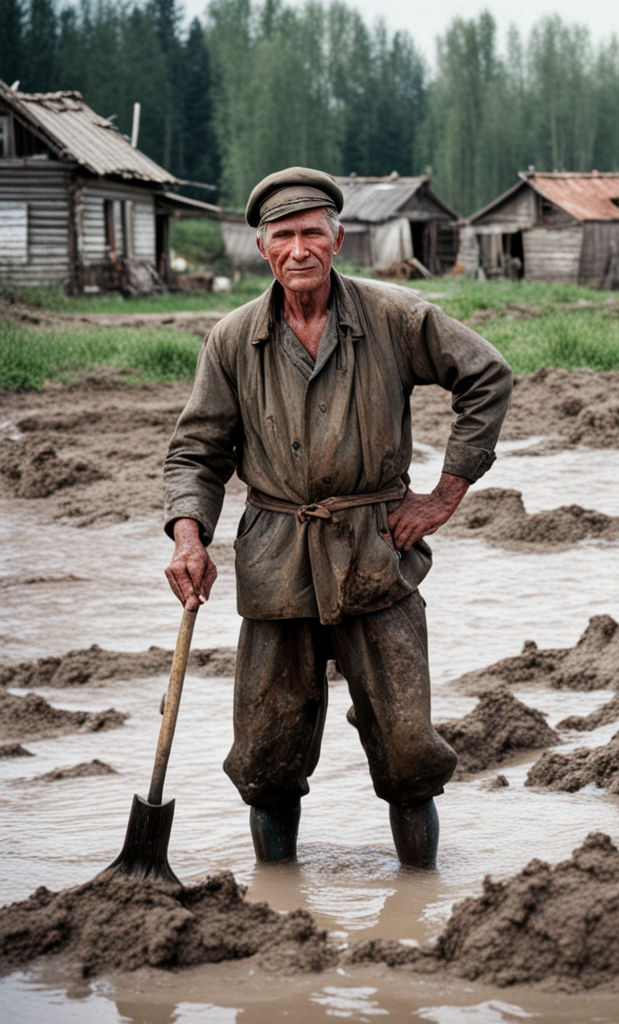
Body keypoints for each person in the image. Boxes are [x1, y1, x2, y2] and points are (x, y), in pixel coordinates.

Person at [163, 167, 513, 869]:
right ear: (263, 248)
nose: (300, 249)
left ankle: (419, 899)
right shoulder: (232, 341)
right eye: (284, 236)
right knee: (266, 756)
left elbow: (487, 376)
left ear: (339, 239)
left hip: (376, 554)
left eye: (313, 233)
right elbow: (195, 452)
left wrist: (443, 495)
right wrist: (188, 536)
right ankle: (277, 902)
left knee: (408, 751)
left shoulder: (394, 317)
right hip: (275, 565)